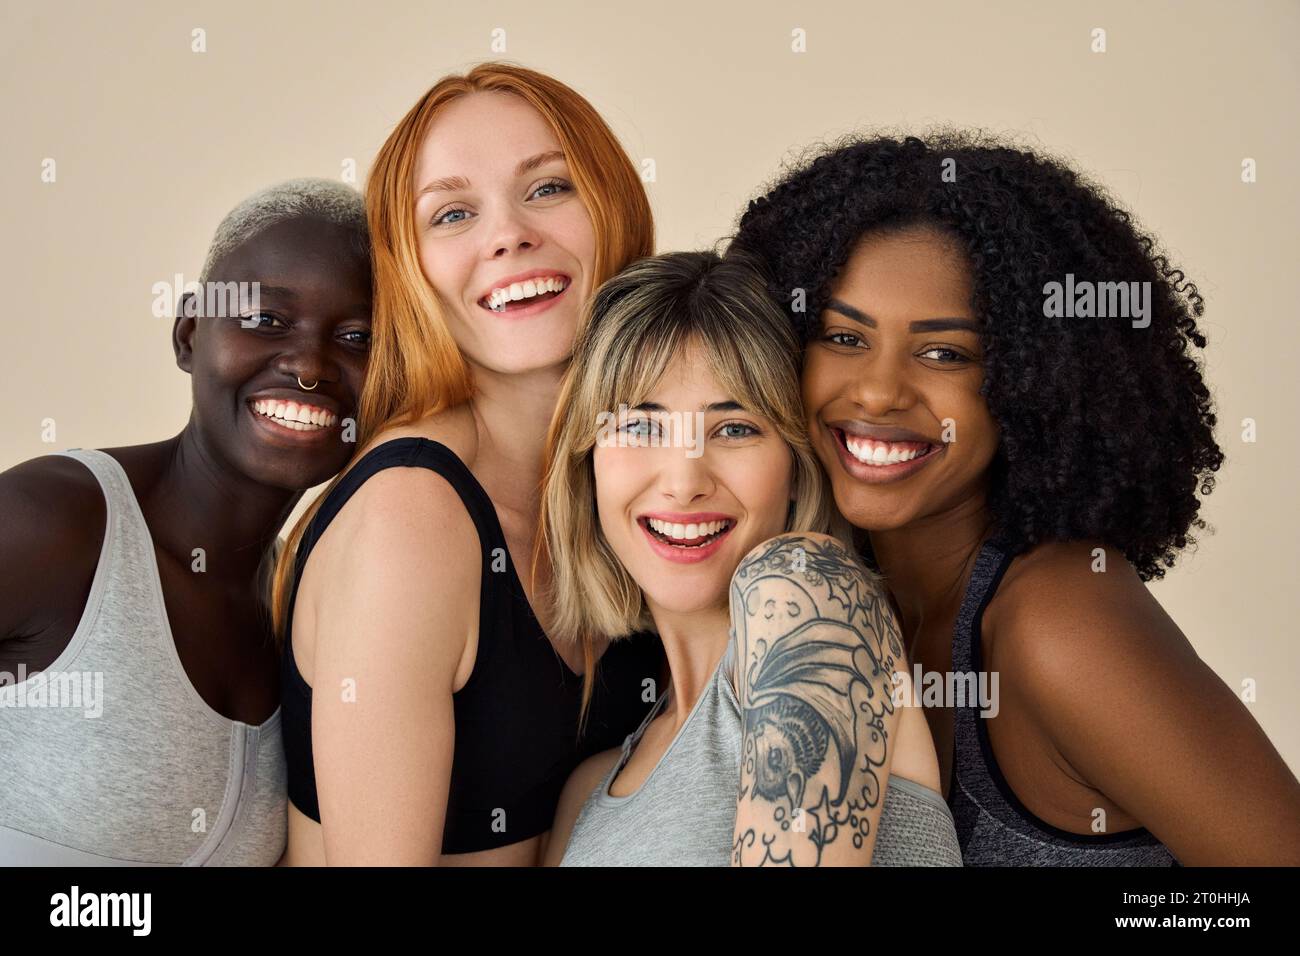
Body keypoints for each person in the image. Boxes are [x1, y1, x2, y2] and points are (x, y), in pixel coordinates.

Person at [728, 130, 1300, 864]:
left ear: (1035, 385)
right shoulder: (826, 594)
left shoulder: (1061, 618)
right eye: (843, 337)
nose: (876, 389)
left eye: (945, 354)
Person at [274, 62, 664, 866]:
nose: (508, 233)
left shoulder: (641, 480)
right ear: (408, 269)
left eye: (550, 188)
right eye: (452, 213)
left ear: (616, 206)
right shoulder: (409, 515)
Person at [541, 251, 962, 866]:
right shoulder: (589, 792)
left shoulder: (807, 591)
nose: (684, 482)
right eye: (640, 426)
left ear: (795, 468)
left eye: (735, 428)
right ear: (590, 464)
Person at [0, 178, 372, 865]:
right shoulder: (52, 522)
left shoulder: (306, 606)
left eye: (355, 337)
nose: (310, 367)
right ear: (189, 332)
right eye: (267, 319)